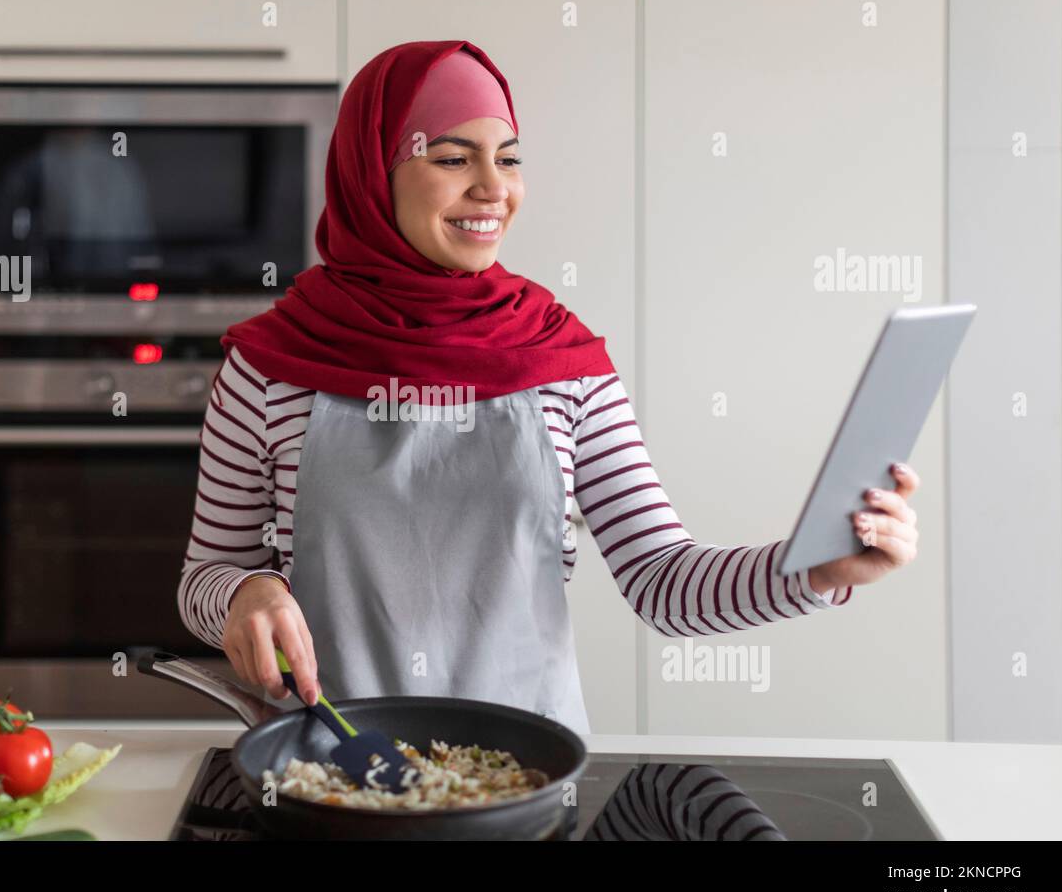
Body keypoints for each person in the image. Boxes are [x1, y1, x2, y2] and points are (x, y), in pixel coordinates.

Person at [176, 40, 921, 736]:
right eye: (452, 157)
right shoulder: (270, 365)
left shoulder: (562, 358)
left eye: (508, 158)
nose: (493, 189)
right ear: (375, 172)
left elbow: (664, 581)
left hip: (525, 774)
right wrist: (244, 594)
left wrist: (814, 570)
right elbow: (204, 578)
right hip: (330, 768)